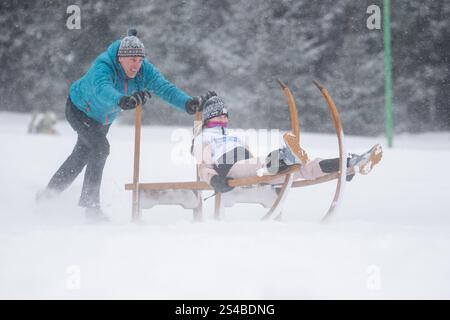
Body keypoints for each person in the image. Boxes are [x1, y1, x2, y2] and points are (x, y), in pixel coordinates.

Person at [37, 29, 214, 221]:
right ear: (121, 58)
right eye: (132, 61)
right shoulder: (103, 66)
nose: (136, 66)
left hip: (103, 117)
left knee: (81, 156)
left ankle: (48, 196)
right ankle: (91, 207)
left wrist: (187, 103)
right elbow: (102, 90)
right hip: (79, 109)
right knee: (99, 148)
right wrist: (123, 100)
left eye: (140, 60)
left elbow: (164, 87)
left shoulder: (144, 69)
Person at [192, 95, 383, 194]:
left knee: (302, 168)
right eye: (219, 114)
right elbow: (203, 167)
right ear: (209, 117)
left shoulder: (235, 135)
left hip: (256, 169)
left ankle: (348, 163)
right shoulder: (203, 137)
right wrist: (214, 180)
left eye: (226, 114)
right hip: (230, 169)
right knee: (261, 165)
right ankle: (285, 156)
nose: (224, 117)